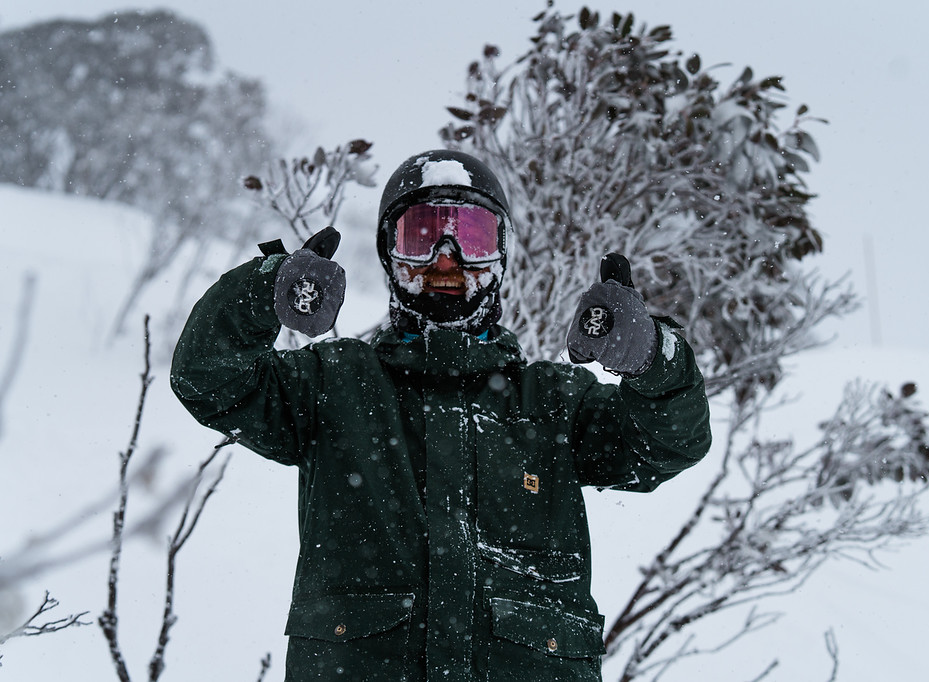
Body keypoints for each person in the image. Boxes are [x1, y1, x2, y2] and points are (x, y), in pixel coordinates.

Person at [170, 149, 712, 681]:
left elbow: (672, 443)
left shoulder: (554, 403)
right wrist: (264, 291)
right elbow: (207, 379)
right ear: (390, 254)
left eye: (472, 237)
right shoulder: (332, 386)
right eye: (421, 236)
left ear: (500, 255)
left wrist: (653, 359)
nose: (446, 260)